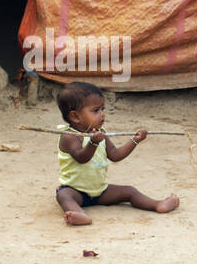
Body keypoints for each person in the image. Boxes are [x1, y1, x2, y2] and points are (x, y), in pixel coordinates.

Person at [53, 82, 179, 225]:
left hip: (99, 190)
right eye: (96, 110)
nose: (102, 114)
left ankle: (157, 204)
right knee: (63, 196)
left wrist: (134, 141)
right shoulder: (69, 136)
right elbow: (82, 158)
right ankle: (79, 214)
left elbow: (115, 155)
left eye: (103, 108)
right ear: (75, 117)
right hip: (75, 191)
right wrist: (93, 143)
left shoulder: (100, 134)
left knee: (129, 191)